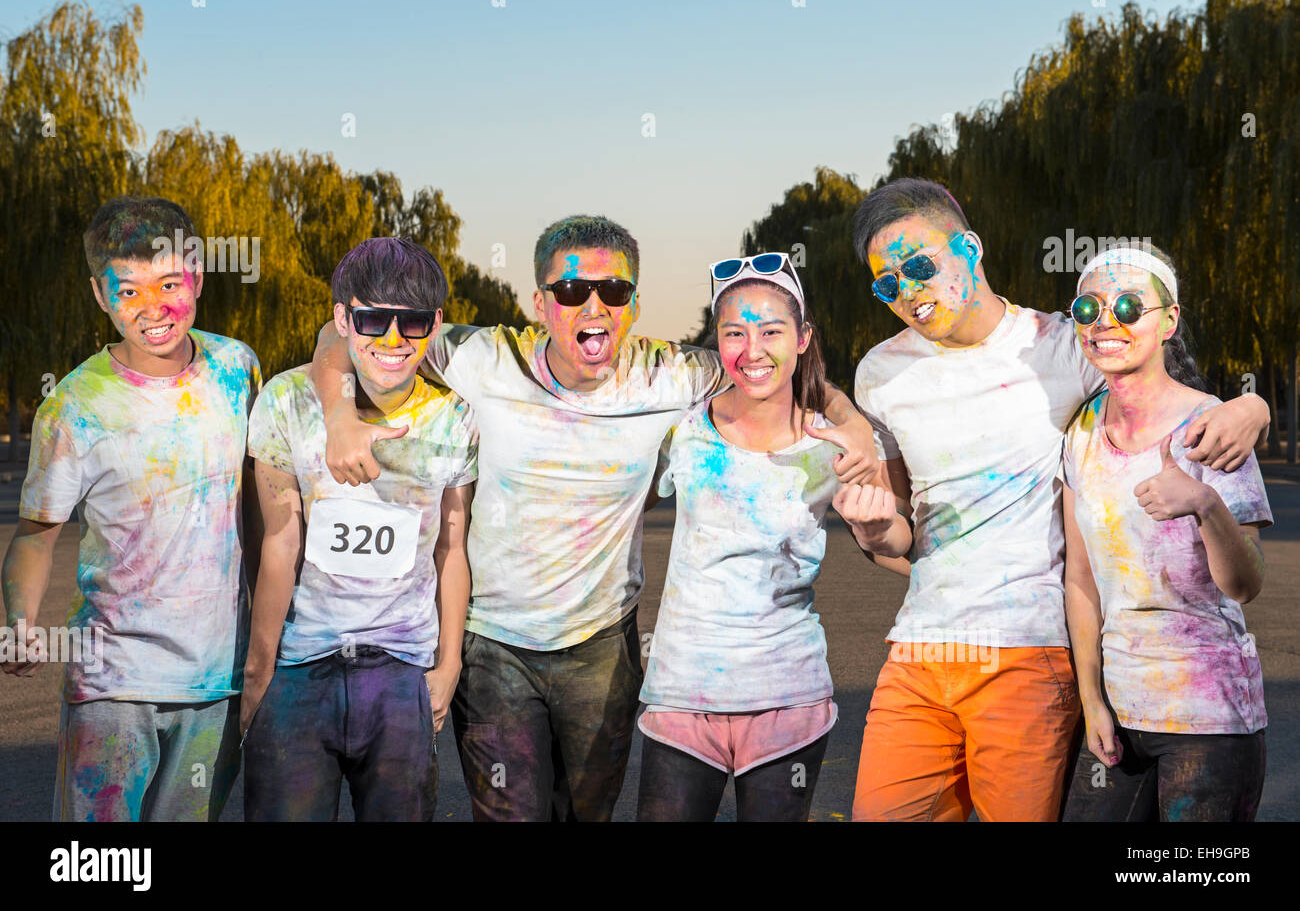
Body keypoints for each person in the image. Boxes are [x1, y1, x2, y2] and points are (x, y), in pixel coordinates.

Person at [311, 215, 879, 821]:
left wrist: (855, 423)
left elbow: (779, 374)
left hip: (602, 645)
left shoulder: (672, 374)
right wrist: (341, 413)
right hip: (494, 643)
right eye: (572, 291)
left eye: (613, 291)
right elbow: (338, 332)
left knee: (588, 814)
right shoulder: (485, 357)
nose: (594, 305)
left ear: (632, 303)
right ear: (540, 302)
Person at [849, 178, 1270, 821]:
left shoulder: (1060, 345)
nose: (908, 292)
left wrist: (1251, 406)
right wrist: (875, 535)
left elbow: (1156, 388)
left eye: (919, 267)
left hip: (1029, 650)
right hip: (919, 650)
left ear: (969, 248)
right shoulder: (879, 374)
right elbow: (899, 530)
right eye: (887, 283)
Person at [0, 195, 261, 821]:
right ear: (98, 293)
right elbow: (36, 536)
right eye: (130, 291)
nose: (154, 308)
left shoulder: (238, 370)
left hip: (216, 680)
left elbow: (258, 509)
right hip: (112, 682)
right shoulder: (74, 407)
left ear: (196, 275)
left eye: (170, 283)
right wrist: (19, 619)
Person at [636, 254, 910, 821]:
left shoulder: (836, 445)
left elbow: (895, 546)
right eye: (735, 332)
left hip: (788, 696)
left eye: (771, 331)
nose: (752, 349)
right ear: (718, 340)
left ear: (803, 336)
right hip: (682, 696)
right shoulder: (681, 430)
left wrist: (878, 523)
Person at [241, 238, 475, 821]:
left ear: (435, 324)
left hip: (401, 669)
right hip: (299, 666)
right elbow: (279, 543)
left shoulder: (454, 417)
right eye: (372, 319)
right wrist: (259, 672)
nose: (393, 340)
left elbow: (452, 549)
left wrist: (448, 667)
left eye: (413, 322)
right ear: (342, 318)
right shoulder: (288, 401)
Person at [1060, 245, 1271, 821]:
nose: (1107, 321)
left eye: (1129, 305)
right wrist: (1091, 700)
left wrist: (1204, 504)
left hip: (1210, 715)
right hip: (1119, 712)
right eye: (1089, 308)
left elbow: (1246, 585)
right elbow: (1080, 579)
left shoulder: (1214, 428)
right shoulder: (1080, 431)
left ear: (1168, 321)